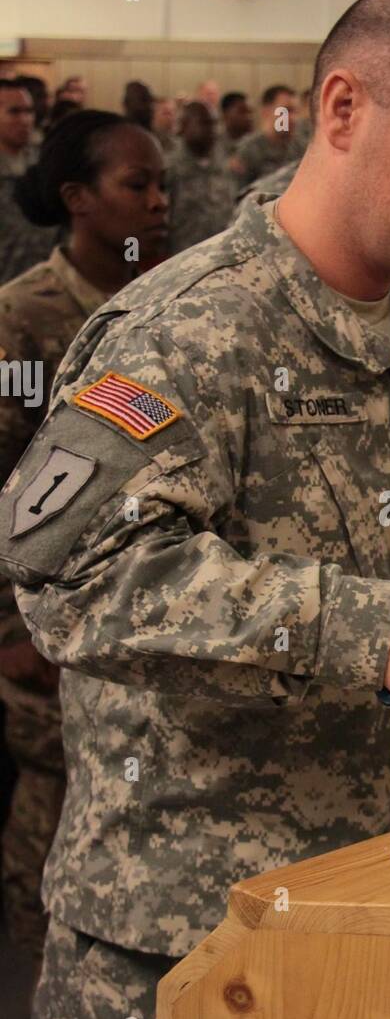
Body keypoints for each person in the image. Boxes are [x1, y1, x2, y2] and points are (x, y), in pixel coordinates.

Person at [0, 0, 390, 1019]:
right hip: (195, 957)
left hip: (388, 927)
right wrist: (380, 630)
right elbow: (70, 580)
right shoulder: (187, 328)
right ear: (341, 107)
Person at [0, 109, 169, 959]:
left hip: (150, 605)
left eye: (160, 183)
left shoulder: (172, 303)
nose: (159, 202)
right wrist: (8, 628)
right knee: (54, 801)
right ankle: (34, 965)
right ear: (78, 199)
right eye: (136, 185)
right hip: (49, 622)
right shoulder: (23, 314)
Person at [0, 79, 57, 286]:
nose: (25, 119)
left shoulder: (44, 162)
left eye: (29, 111)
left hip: (42, 286)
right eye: (14, 112)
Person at [165, 101, 236, 254]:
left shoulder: (222, 164)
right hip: (183, 257)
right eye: (204, 123)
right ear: (183, 126)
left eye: (213, 123)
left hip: (222, 253)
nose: (212, 130)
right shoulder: (170, 168)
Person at [228, 84, 305, 188]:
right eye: (285, 110)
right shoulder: (248, 150)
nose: (293, 118)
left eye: (295, 111)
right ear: (266, 111)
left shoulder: (301, 148)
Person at [214, 91, 254, 164]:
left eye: (250, 112)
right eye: (242, 112)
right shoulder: (214, 144)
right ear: (225, 115)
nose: (249, 117)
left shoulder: (256, 144)